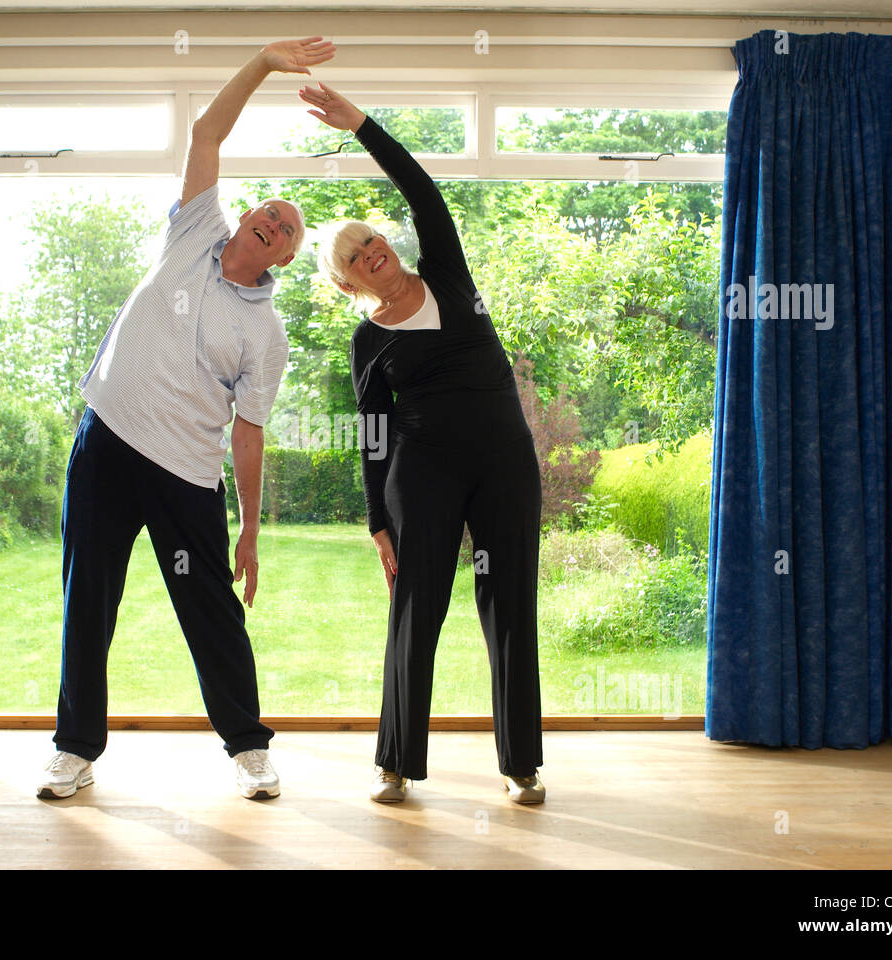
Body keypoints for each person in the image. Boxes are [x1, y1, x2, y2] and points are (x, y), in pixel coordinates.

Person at [37, 37, 335, 802]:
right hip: (106, 446)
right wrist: (266, 63)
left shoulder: (267, 333)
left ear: (287, 259)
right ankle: (75, 750)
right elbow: (207, 134)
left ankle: (249, 748)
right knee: (87, 599)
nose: (276, 218)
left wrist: (251, 527)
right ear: (242, 223)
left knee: (210, 611)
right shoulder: (195, 229)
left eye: (291, 227)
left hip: (185, 474)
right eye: (270, 209)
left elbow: (248, 430)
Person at [304, 82, 546, 805]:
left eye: (370, 240)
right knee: (418, 609)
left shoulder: (445, 268)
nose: (370, 253)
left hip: (504, 456)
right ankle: (395, 763)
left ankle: (522, 764)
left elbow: (420, 187)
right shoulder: (367, 339)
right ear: (347, 281)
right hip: (424, 472)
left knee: (509, 604)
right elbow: (373, 434)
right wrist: (377, 517)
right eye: (354, 256)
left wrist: (360, 126)